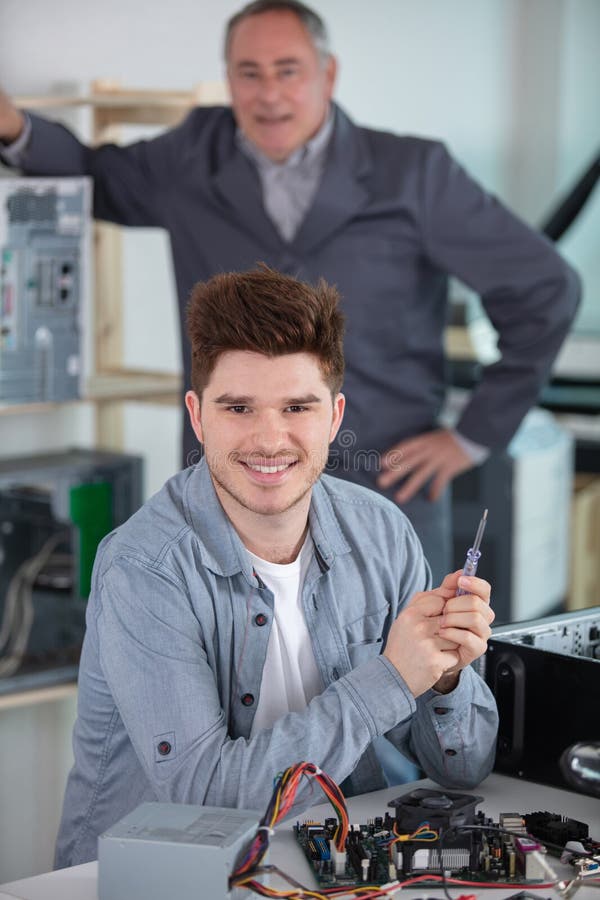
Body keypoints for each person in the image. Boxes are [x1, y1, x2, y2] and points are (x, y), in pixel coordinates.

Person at [0, 1, 580, 584]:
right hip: (232, 491)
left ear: (328, 74)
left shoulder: (413, 173)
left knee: (406, 667)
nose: (269, 94)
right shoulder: (191, 158)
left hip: (378, 479)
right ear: (228, 79)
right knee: (229, 666)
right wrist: (14, 127)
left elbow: (546, 289)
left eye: (288, 70)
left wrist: (473, 436)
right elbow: (94, 176)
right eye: (249, 73)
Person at [52, 265, 498, 868]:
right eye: (238, 406)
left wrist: (444, 675)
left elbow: (466, 772)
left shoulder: (382, 532)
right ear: (197, 415)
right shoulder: (142, 569)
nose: (269, 438)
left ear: (335, 417)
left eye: (297, 406)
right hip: (151, 880)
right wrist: (394, 679)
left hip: (328, 865)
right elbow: (206, 797)